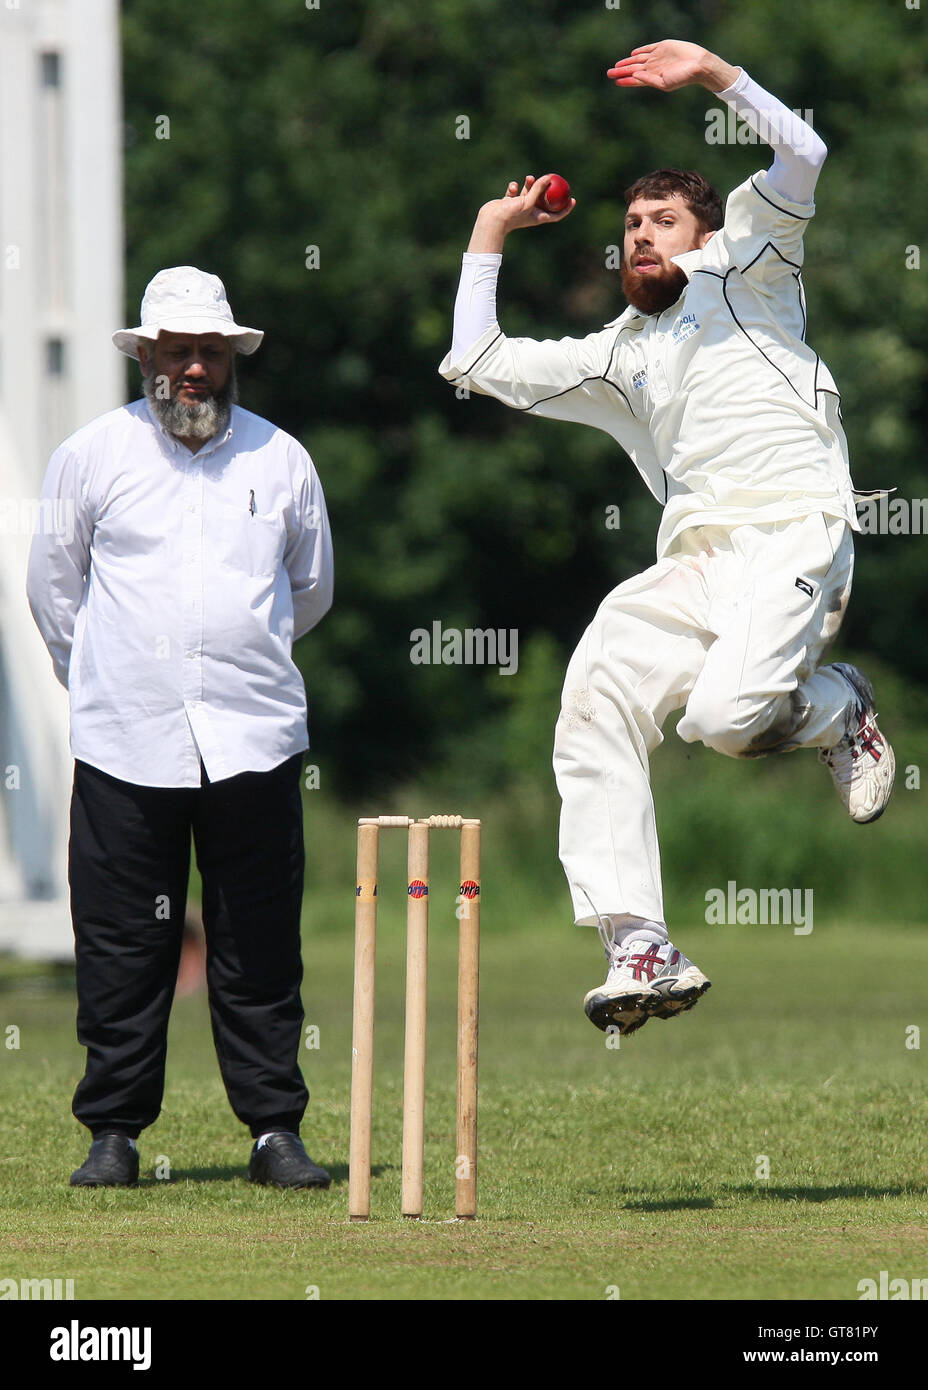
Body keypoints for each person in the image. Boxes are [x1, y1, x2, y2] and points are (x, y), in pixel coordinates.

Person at [439, 40, 894, 1036]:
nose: (641, 236)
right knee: (596, 688)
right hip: (694, 561)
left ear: (705, 231)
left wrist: (715, 73)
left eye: (661, 221)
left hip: (792, 534)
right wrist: (490, 229)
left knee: (724, 722)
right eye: (631, 224)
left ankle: (835, 703)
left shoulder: (752, 264)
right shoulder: (618, 354)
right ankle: (637, 937)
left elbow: (804, 153)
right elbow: (472, 360)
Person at [27, 266, 335, 1187]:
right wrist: (116, 677)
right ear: (147, 358)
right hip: (126, 736)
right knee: (123, 941)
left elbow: (309, 590)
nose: (194, 370)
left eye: (209, 353)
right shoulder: (90, 457)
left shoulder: (281, 459)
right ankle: (113, 1134)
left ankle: (273, 1132)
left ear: (231, 358)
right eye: (177, 353)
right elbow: (54, 592)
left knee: (260, 941)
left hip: (254, 734)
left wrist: (243, 648)